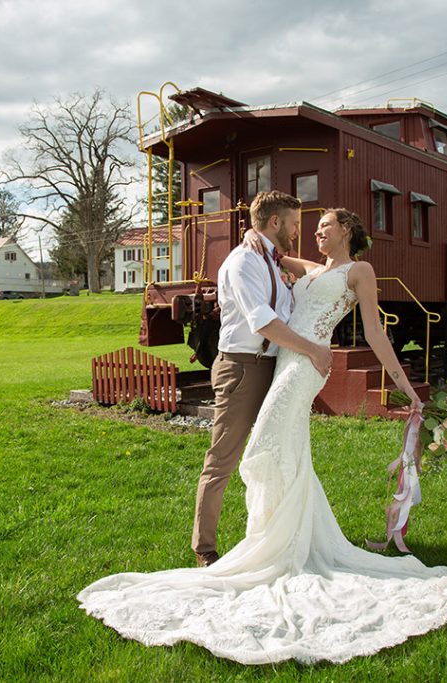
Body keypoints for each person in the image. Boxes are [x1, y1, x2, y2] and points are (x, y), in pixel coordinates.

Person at [78, 208, 447, 665]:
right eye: (313, 226)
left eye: (326, 226)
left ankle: (275, 545)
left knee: (262, 448)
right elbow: (266, 247)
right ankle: (282, 538)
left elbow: (376, 333)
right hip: (287, 359)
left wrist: (406, 388)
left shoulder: (360, 270)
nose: (317, 231)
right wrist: (250, 238)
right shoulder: (311, 269)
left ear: (348, 231)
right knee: (286, 450)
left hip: (305, 365)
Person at [190, 190, 332, 568]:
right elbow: (264, 322)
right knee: (223, 458)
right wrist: (312, 350)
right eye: (293, 225)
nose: (297, 232)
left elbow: (321, 275)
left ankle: (277, 538)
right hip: (242, 369)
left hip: (273, 367)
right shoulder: (243, 263)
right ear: (275, 223)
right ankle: (205, 549)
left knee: (277, 453)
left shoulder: (271, 260)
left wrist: (279, 254)